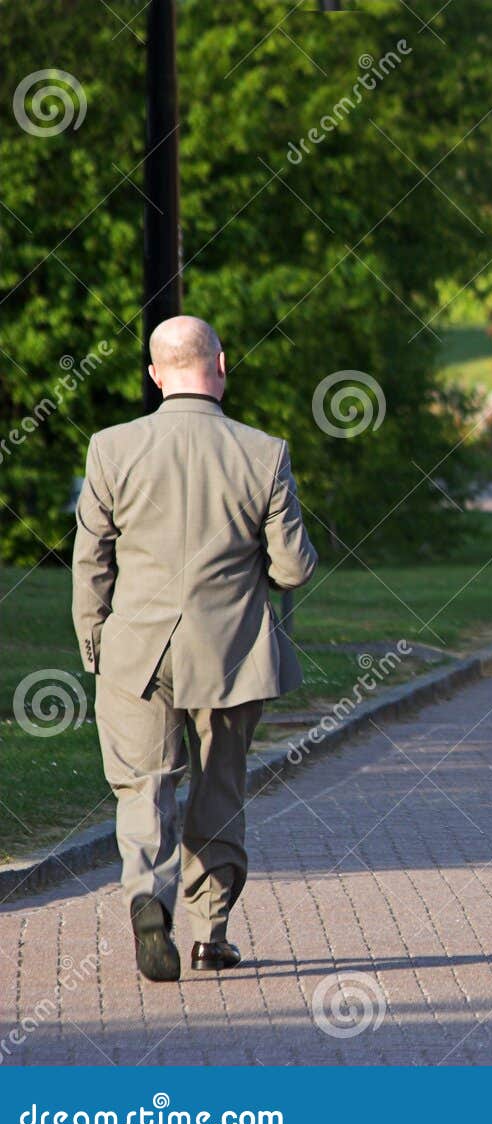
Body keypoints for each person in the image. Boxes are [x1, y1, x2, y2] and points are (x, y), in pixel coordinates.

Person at [72, 316, 317, 982]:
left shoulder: (111, 447)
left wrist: (94, 638)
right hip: (231, 650)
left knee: (143, 785)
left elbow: (91, 558)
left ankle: (149, 898)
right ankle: (211, 932)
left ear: (155, 373)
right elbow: (292, 569)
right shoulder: (262, 451)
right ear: (221, 363)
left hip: (136, 650)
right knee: (220, 787)